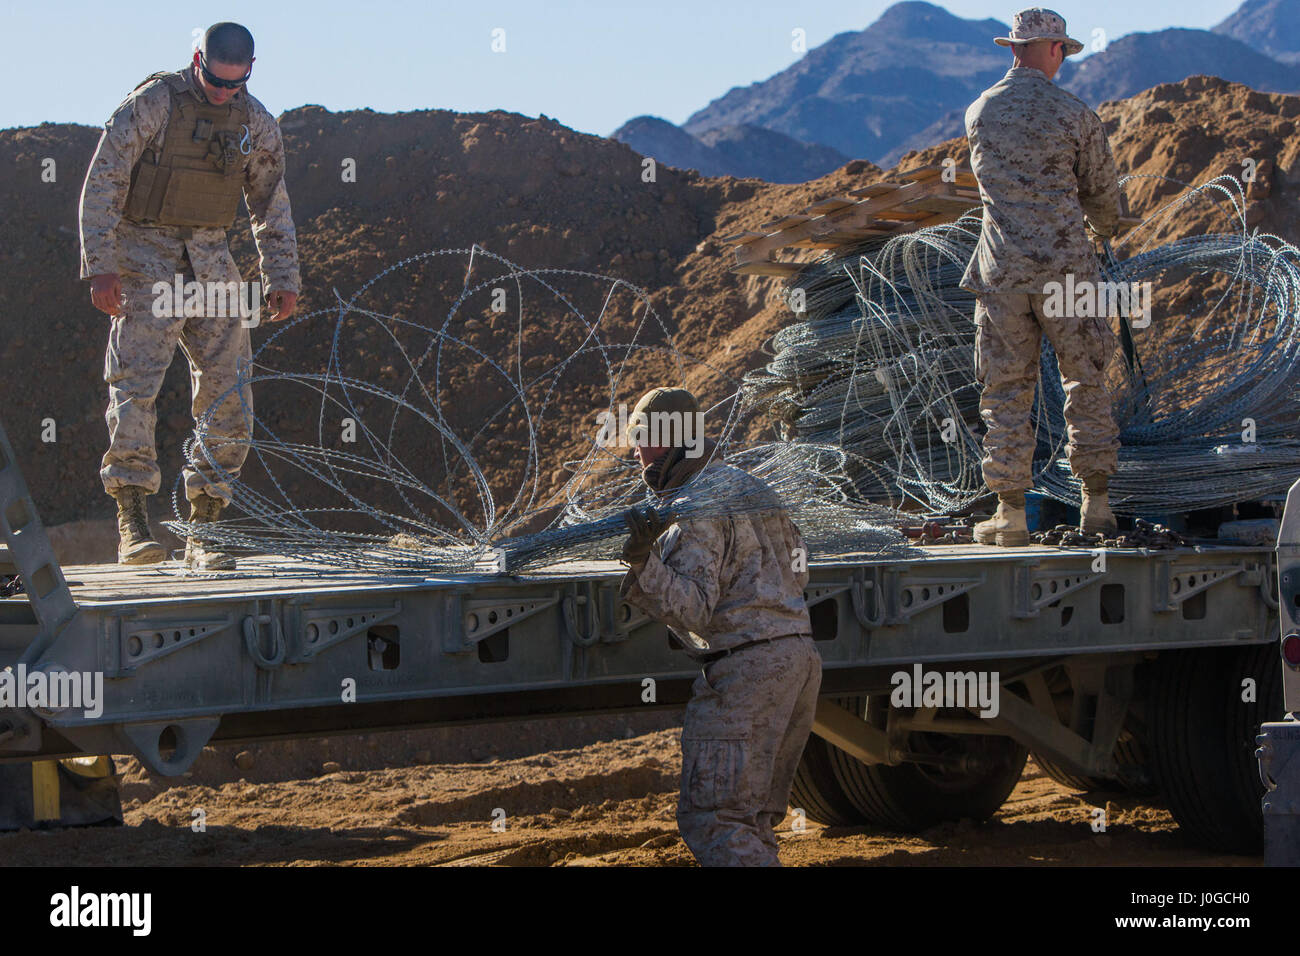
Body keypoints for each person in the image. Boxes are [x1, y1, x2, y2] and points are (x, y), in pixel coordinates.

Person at [79, 21, 301, 569]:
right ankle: (133, 520)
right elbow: (105, 178)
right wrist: (100, 266)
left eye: (236, 82)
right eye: (216, 81)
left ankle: (207, 529)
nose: (224, 93)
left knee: (230, 391)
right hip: (144, 254)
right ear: (197, 60)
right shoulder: (154, 103)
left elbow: (270, 203)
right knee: (135, 387)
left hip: (210, 259)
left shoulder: (255, 121)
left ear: (249, 71)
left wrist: (282, 276)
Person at [617, 387, 821, 866]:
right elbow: (801, 570)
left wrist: (643, 563)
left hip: (745, 671)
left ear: (667, 442)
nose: (635, 452)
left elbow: (693, 609)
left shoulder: (693, 507)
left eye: (642, 439)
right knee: (752, 820)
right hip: (798, 661)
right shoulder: (751, 486)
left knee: (717, 818)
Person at [962, 7, 1123, 546]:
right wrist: (1108, 226)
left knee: (1006, 391)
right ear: (1054, 50)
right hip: (1067, 274)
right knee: (1086, 379)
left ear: (1013, 49)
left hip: (1002, 273)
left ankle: (1009, 515)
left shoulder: (979, 112)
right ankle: (1095, 505)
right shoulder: (1074, 113)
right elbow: (1102, 195)